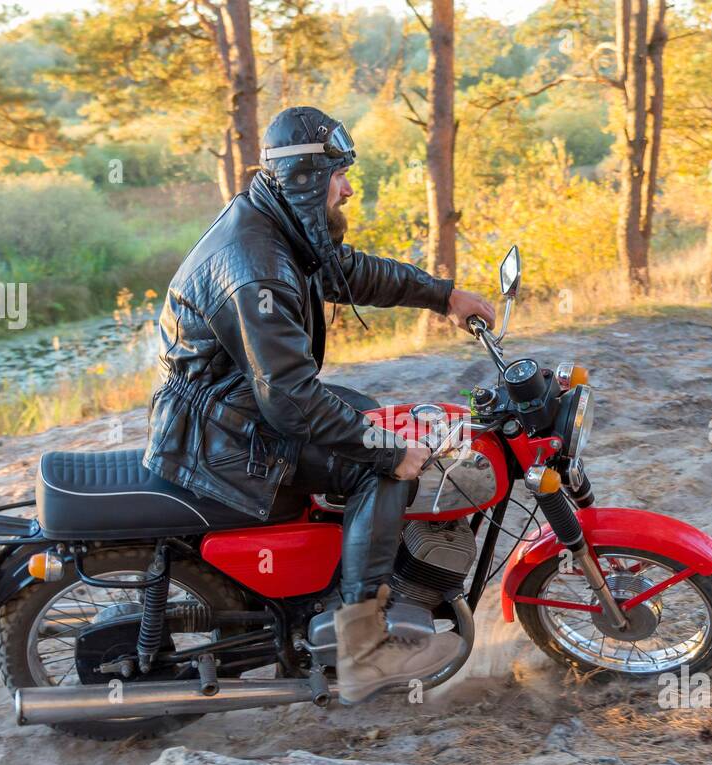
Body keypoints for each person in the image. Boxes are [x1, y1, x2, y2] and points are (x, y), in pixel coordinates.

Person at [142, 106, 496, 704]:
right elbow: (289, 402)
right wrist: (389, 452)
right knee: (378, 453)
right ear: (306, 177)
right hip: (220, 435)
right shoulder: (254, 268)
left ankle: (340, 584)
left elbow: (349, 272)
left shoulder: (274, 220)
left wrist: (444, 296)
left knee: (376, 420)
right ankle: (364, 647)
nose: (348, 187)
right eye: (338, 173)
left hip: (233, 406)